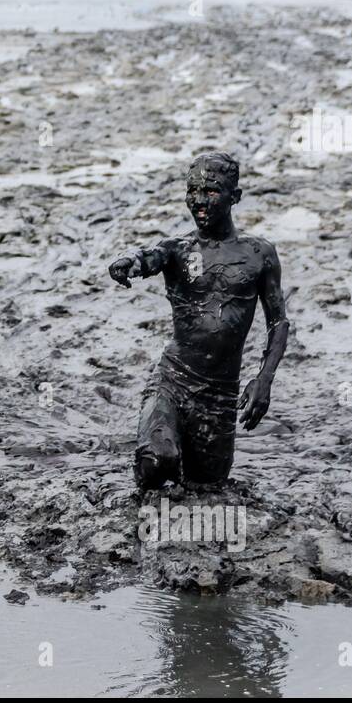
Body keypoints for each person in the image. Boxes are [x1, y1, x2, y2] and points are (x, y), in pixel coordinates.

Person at [108, 152, 290, 488]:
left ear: (234, 197)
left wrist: (264, 380)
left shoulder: (259, 255)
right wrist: (128, 262)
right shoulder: (178, 250)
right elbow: (149, 257)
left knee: (207, 487)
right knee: (158, 459)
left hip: (219, 397)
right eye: (192, 191)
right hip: (173, 381)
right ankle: (143, 511)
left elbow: (278, 322)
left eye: (211, 191)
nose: (199, 201)